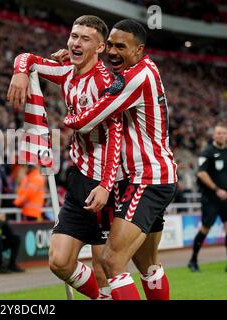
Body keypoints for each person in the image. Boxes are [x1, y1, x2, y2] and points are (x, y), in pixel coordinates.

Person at [8, 15, 122, 300]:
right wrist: (20, 71)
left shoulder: (105, 82)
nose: (76, 42)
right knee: (59, 262)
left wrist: (106, 186)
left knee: (104, 267)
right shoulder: (67, 73)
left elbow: (115, 137)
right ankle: (100, 298)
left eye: (85, 38)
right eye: (73, 36)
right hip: (79, 178)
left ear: (99, 47)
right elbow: (27, 58)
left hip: (107, 182)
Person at [61, 19, 177, 300]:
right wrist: (75, 58)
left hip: (145, 179)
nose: (112, 51)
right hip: (156, 175)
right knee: (147, 265)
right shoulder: (140, 70)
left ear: (139, 50)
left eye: (120, 47)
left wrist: (66, 118)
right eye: (109, 44)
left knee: (112, 261)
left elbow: (88, 119)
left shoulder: (135, 78)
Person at [188, 122, 227, 272]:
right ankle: (193, 260)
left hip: (226, 199)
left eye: (223, 133)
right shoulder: (207, 152)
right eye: (218, 133)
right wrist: (216, 189)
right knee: (206, 228)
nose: (221, 135)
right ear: (213, 135)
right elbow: (201, 173)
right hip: (210, 199)